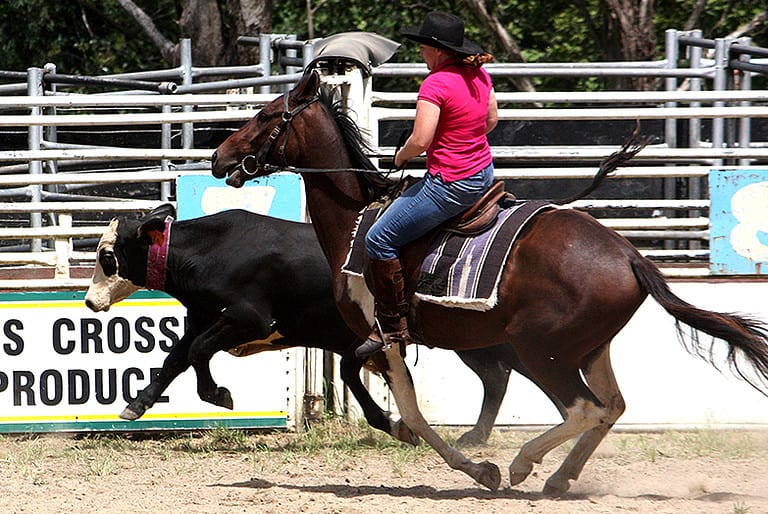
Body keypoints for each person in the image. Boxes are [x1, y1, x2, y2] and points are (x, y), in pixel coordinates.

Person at [356, 10, 499, 358]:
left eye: (423, 47)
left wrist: (402, 156)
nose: (420, 53)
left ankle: (392, 326)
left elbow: (420, 139)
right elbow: (491, 121)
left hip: (451, 183)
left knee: (379, 237)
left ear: (437, 50)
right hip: (484, 175)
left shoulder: (435, 84)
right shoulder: (479, 74)